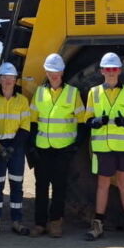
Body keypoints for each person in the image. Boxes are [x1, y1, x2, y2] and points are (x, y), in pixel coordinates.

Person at [85, 52, 124, 242]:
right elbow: (88, 118)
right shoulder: (94, 93)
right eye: (107, 69)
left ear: (120, 71)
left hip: (123, 147)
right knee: (103, 184)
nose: (111, 72)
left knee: (123, 183)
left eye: (114, 69)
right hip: (102, 147)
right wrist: (96, 122)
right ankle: (98, 224)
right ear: (102, 71)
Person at [30, 53, 86, 238]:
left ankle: (55, 223)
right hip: (43, 149)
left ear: (62, 72)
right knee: (41, 187)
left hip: (63, 149)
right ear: (46, 72)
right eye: (50, 72)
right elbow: (33, 121)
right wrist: (33, 146)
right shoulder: (39, 93)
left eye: (57, 72)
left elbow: (82, 122)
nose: (54, 75)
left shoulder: (72, 93)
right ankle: (39, 224)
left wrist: (74, 146)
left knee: (59, 187)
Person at [0, 62, 33, 235]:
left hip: (16, 149)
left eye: (11, 77)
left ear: (16, 80)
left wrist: (12, 147)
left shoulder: (22, 101)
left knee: (16, 185)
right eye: (4, 77)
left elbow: (25, 127)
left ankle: (16, 221)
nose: (7, 81)